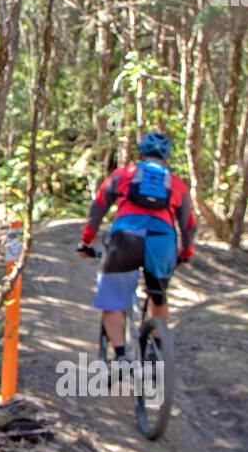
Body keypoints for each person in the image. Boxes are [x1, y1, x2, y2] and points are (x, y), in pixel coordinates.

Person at [77, 131, 197, 358]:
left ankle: (121, 356)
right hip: (162, 242)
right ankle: (157, 350)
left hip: (125, 239)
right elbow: (189, 224)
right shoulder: (177, 184)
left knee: (112, 300)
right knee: (158, 295)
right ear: (166, 157)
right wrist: (186, 252)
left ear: (141, 153)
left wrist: (86, 240)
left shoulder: (124, 174)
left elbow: (98, 208)